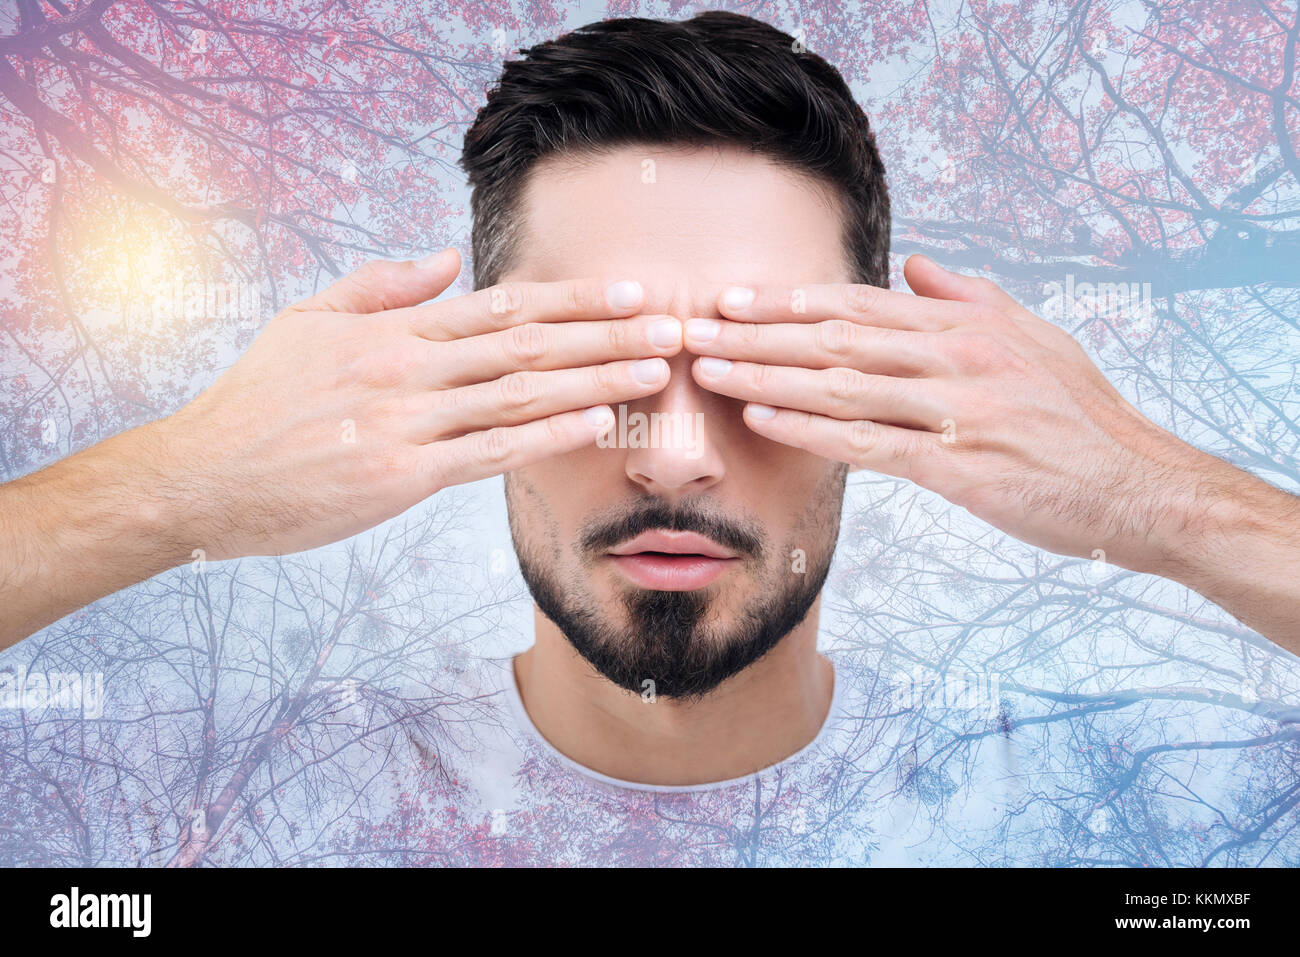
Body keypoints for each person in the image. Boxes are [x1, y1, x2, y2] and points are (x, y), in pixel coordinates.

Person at [2, 12, 1297, 865]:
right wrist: (167, 488)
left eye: (762, 369)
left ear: (884, 390)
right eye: (593, 364)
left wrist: (1164, 499)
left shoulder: (1149, 811)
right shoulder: (183, 808)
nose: (675, 451)